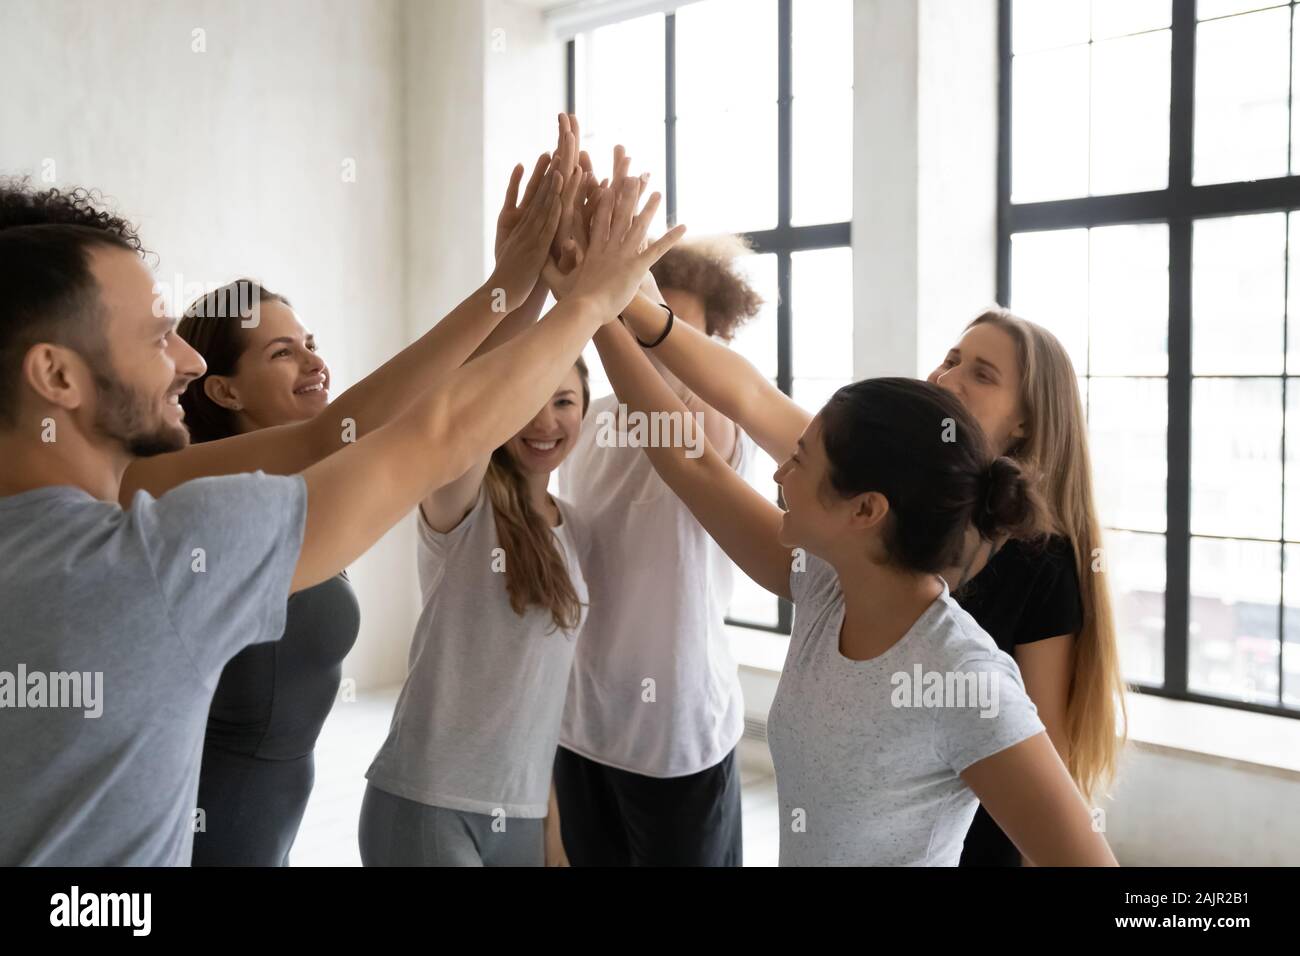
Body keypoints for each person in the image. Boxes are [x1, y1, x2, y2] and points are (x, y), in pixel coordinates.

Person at [0, 163, 682, 865]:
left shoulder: (107, 503)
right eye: (154, 335)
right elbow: (432, 436)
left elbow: (335, 436)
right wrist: (586, 302)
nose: (187, 361)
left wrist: (517, 287)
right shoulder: (162, 551)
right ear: (56, 376)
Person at [611, 288, 1126, 866]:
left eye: (982, 373)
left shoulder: (972, 663)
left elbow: (1061, 808)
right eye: (953, 358)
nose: (780, 472)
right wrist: (608, 307)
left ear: (864, 510)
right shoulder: (831, 580)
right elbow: (702, 450)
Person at [551, 159, 762, 866]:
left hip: (679, 738)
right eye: (639, 324)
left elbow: (686, 435)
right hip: (582, 723)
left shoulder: (717, 421)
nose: (651, 346)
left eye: (669, 332)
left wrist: (617, 292)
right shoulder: (582, 420)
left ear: (714, 347)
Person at [360, 355, 593, 867]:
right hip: (430, 802)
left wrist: (552, 828)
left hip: (523, 813)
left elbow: (544, 700)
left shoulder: (574, 530)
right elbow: (464, 406)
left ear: (584, 412)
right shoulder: (460, 501)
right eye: (529, 400)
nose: (545, 422)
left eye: (564, 402)